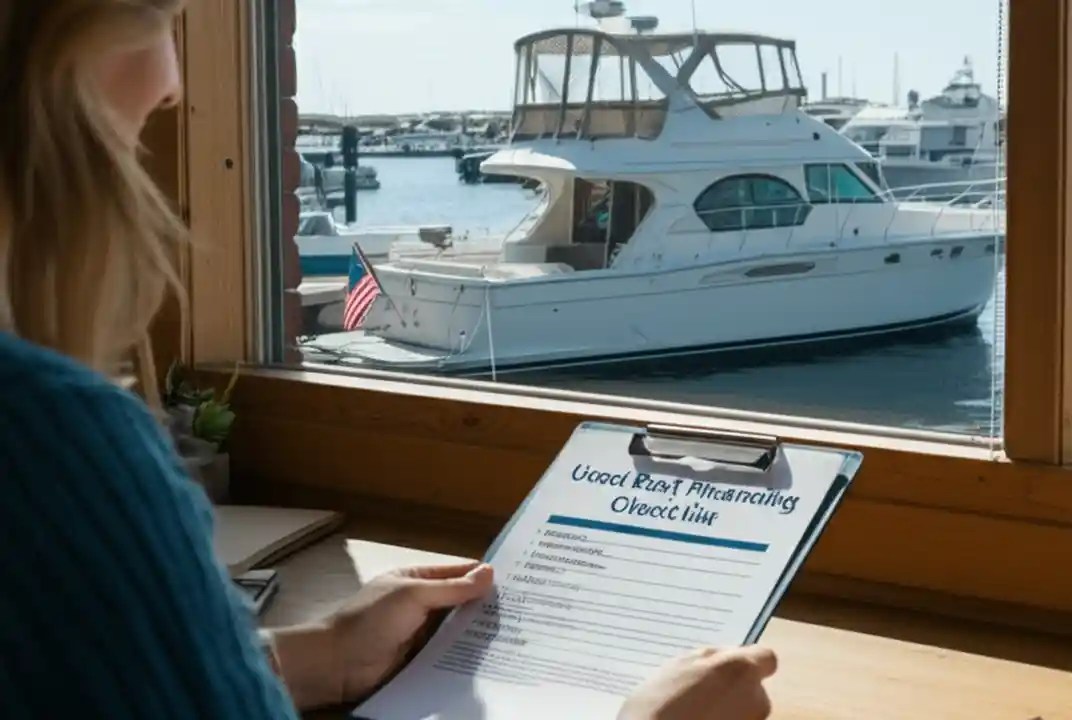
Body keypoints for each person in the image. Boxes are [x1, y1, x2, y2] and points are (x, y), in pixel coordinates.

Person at [0, 2, 777, 718]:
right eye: (160, 18)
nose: (173, 86)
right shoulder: (51, 445)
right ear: (45, 48)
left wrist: (322, 655)